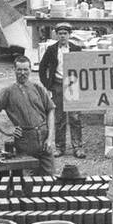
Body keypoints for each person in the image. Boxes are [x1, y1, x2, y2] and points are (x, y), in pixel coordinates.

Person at [0, 55, 55, 176]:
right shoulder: (8, 92)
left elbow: (51, 110)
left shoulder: (38, 88)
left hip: (43, 139)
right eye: (19, 70)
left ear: (30, 70)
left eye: (25, 69)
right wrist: (6, 130)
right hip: (25, 141)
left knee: (50, 178)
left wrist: (50, 138)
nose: (22, 73)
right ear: (14, 70)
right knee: (27, 180)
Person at [38, 22, 85, 158]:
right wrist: (47, 84)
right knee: (59, 117)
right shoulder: (51, 50)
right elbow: (42, 67)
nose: (63, 36)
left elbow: (83, 67)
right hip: (57, 85)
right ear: (56, 35)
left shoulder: (76, 49)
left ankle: (78, 147)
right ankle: (60, 147)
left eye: (65, 33)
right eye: (60, 34)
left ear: (69, 35)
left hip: (72, 85)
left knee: (75, 117)